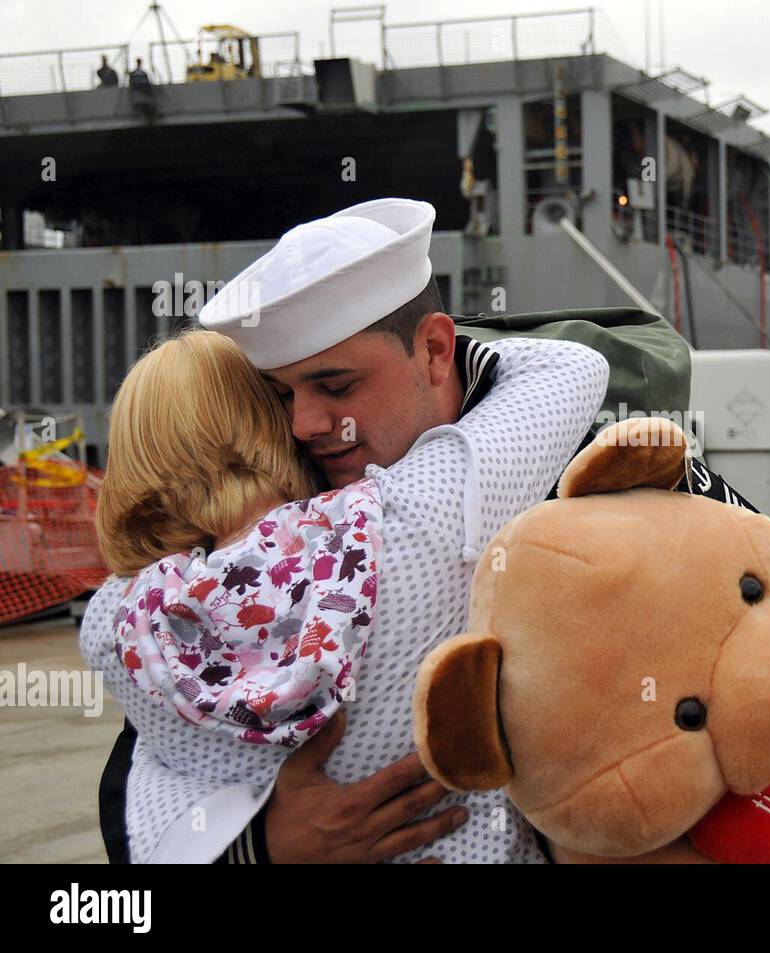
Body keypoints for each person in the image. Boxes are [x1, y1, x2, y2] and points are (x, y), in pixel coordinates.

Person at [79, 198, 617, 865]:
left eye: (335, 384)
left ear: (435, 349)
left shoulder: (593, 467)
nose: (304, 422)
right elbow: (140, 765)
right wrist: (262, 847)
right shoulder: (324, 501)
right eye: (279, 396)